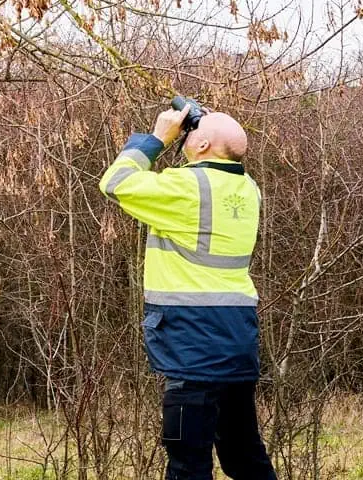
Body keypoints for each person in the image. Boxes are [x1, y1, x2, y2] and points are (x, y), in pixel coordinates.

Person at [99, 104, 277, 480]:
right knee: (244, 456)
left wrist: (158, 138)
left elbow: (114, 182)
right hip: (235, 341)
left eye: (193, 133)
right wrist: (204, 127)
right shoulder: (248, 189)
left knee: (187, 465)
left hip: (191, 343)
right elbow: (219, 158)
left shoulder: (185, 188)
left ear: (203, 144)